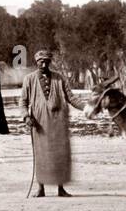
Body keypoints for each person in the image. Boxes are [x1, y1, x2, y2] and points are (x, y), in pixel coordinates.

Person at [20, 48, 84, 197]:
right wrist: (26, 117)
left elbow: (71, 98)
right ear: (36, 62)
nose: (44, 64)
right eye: (41, 61)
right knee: (41, 155)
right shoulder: (29, 79)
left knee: (59, 155)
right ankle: (40, 188)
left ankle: (60, 189)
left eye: (47, 61)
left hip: (58, 123)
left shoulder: (59, 78)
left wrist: (87, 107)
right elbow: (23, 102)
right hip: (39, 123)